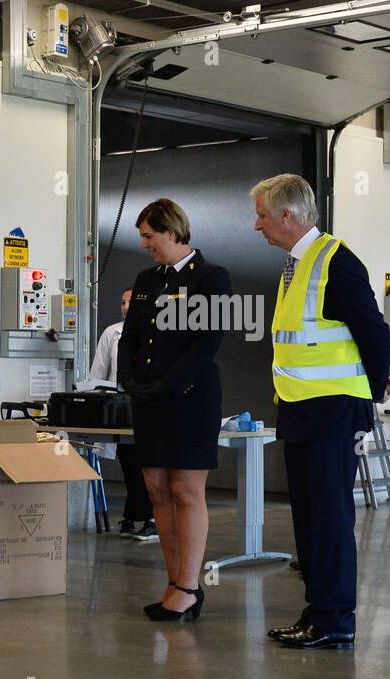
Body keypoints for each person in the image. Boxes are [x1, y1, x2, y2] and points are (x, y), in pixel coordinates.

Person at [250, 174, 390, 650]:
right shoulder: (296, 264)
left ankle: (334, 617)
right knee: (310, 517)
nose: (257, 226)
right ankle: (318, 611)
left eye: (263, 215)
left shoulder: (335, 260)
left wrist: (372, 390)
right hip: (300, 409)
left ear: (287, 216)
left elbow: (374, 332)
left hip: (334, 411)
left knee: (330, 516)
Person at [117, 198, 232, 622]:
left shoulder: (211, 278)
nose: (145, 244)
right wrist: (130, 382)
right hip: (148, 400)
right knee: (158, 491)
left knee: (185, 490)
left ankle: (189, 585)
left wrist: (167, 386)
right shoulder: (147, 279)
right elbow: (130, 338)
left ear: (172, 231)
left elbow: (208, 343)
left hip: (189, 399)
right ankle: (173, 581)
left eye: (149, 235)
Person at [90, 288, 157, 542]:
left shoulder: (155, 332)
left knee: (147, 464)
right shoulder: (112, 333)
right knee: (129, 463)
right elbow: (99, 374)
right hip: (120, 406)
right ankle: (133, 515)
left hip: (147, 405)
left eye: (131, 302)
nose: (126, 307)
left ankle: (150, 519)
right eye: (122, 302)